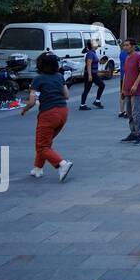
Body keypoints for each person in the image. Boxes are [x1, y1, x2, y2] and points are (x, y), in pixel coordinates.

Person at [21, 51, 73, 179]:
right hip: (63, 112)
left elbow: (32, 101)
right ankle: (37, 169)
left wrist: (25, 109)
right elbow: (66, 95)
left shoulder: (38, 79)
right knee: (45, 143)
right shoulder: (60, 76)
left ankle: (62, 164)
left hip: (48, 114)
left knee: (42, 145)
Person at [119, 39, 140, 144]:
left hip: (136, 89)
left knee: (136, 113)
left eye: (127, 45)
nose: (124, 47)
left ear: (133, 46)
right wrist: (122, 90)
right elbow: (125, 74)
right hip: (127, 89)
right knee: (129, 113)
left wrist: (135, 84)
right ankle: (133, 133)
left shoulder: (138, 56)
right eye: (124, 45)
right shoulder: (127, 58)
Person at [80, 39, 105, 109]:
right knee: (101, 85)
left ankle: (83, 104)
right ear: (91, 45)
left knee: (87, 89)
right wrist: (90, 75)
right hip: (91, 74)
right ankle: (94, 102)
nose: (96, 43)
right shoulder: (90, 53)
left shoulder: (93, 52)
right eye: (94, 43)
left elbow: (94, 62)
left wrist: (100, 62)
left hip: (92, 74)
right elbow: (88, 64)